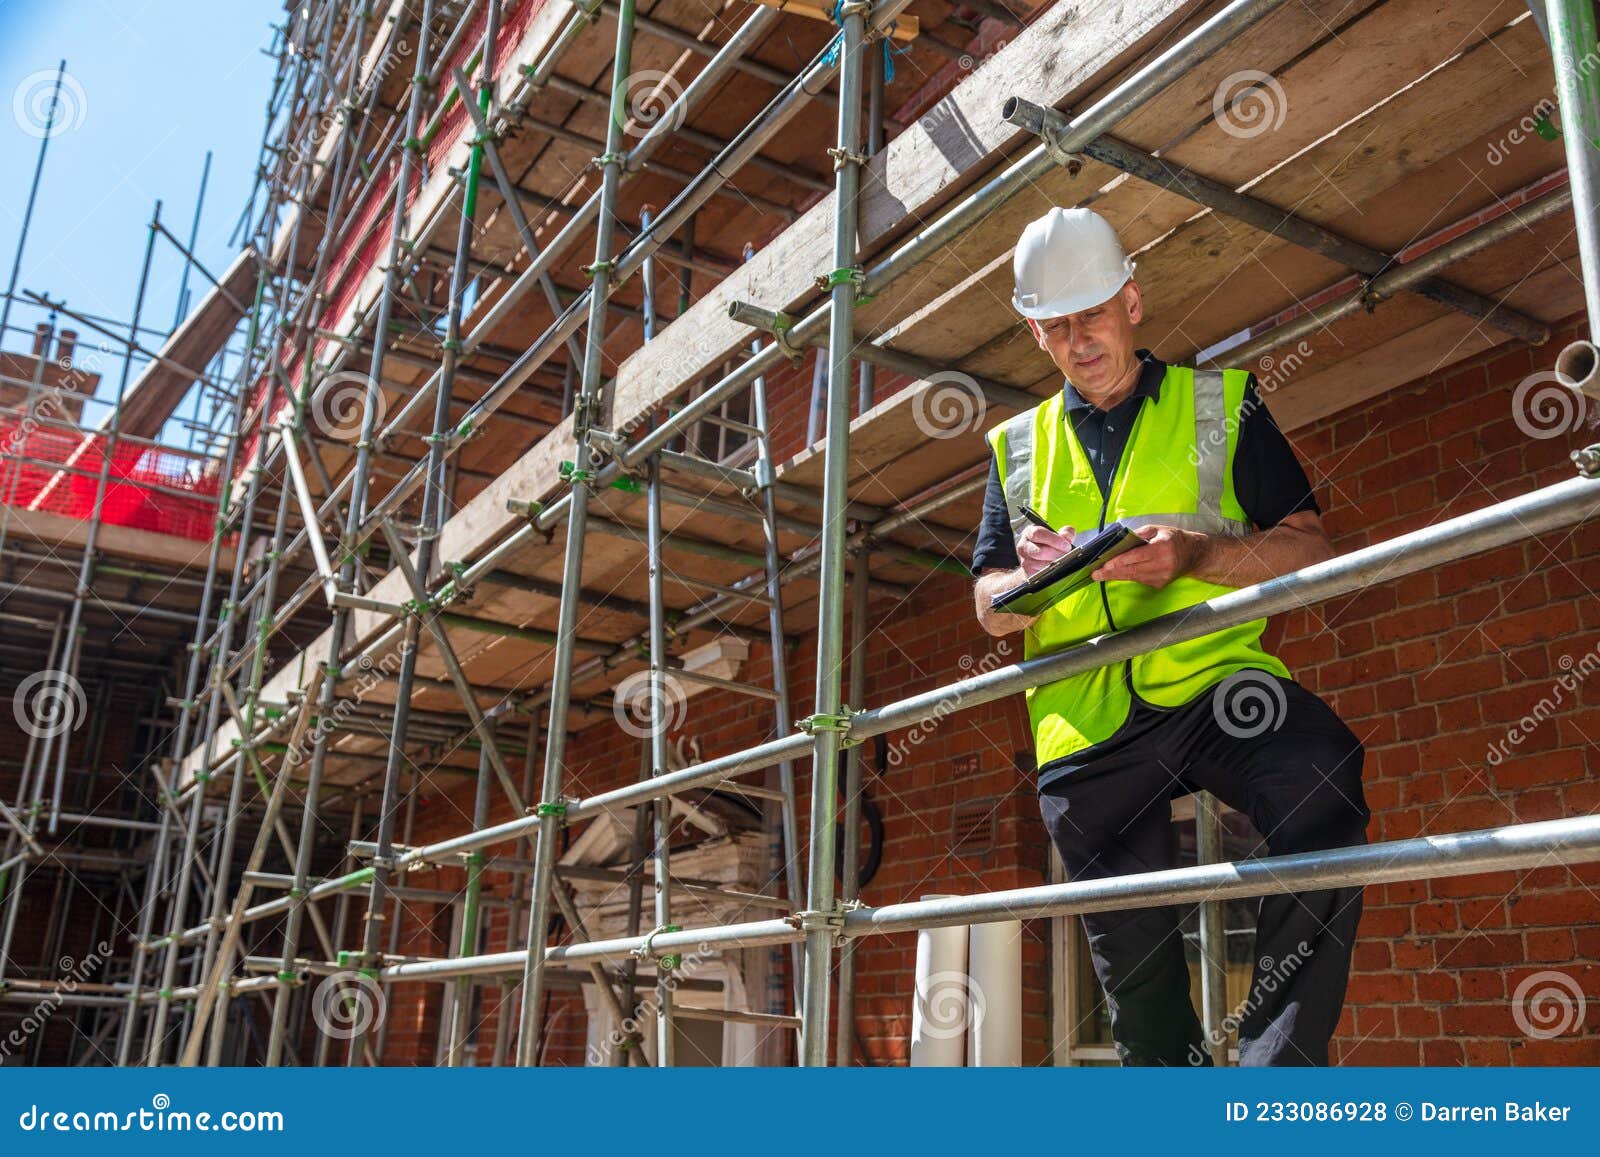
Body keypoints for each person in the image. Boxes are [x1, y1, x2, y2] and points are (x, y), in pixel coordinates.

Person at [971, 206, 1370, 1066]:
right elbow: (989, 603)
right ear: (1035, 332)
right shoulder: (1014, 449)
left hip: (1214, 684)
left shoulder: (1223, 403)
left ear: (1133, 303)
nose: (1079, 341)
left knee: (1321, 773)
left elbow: (1310, 544)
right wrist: (1027, 585)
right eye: (1057, 326)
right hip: (1085, 724)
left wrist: (1196, 553)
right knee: (1139, 980)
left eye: (1093, 317)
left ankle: (1276, 1078)